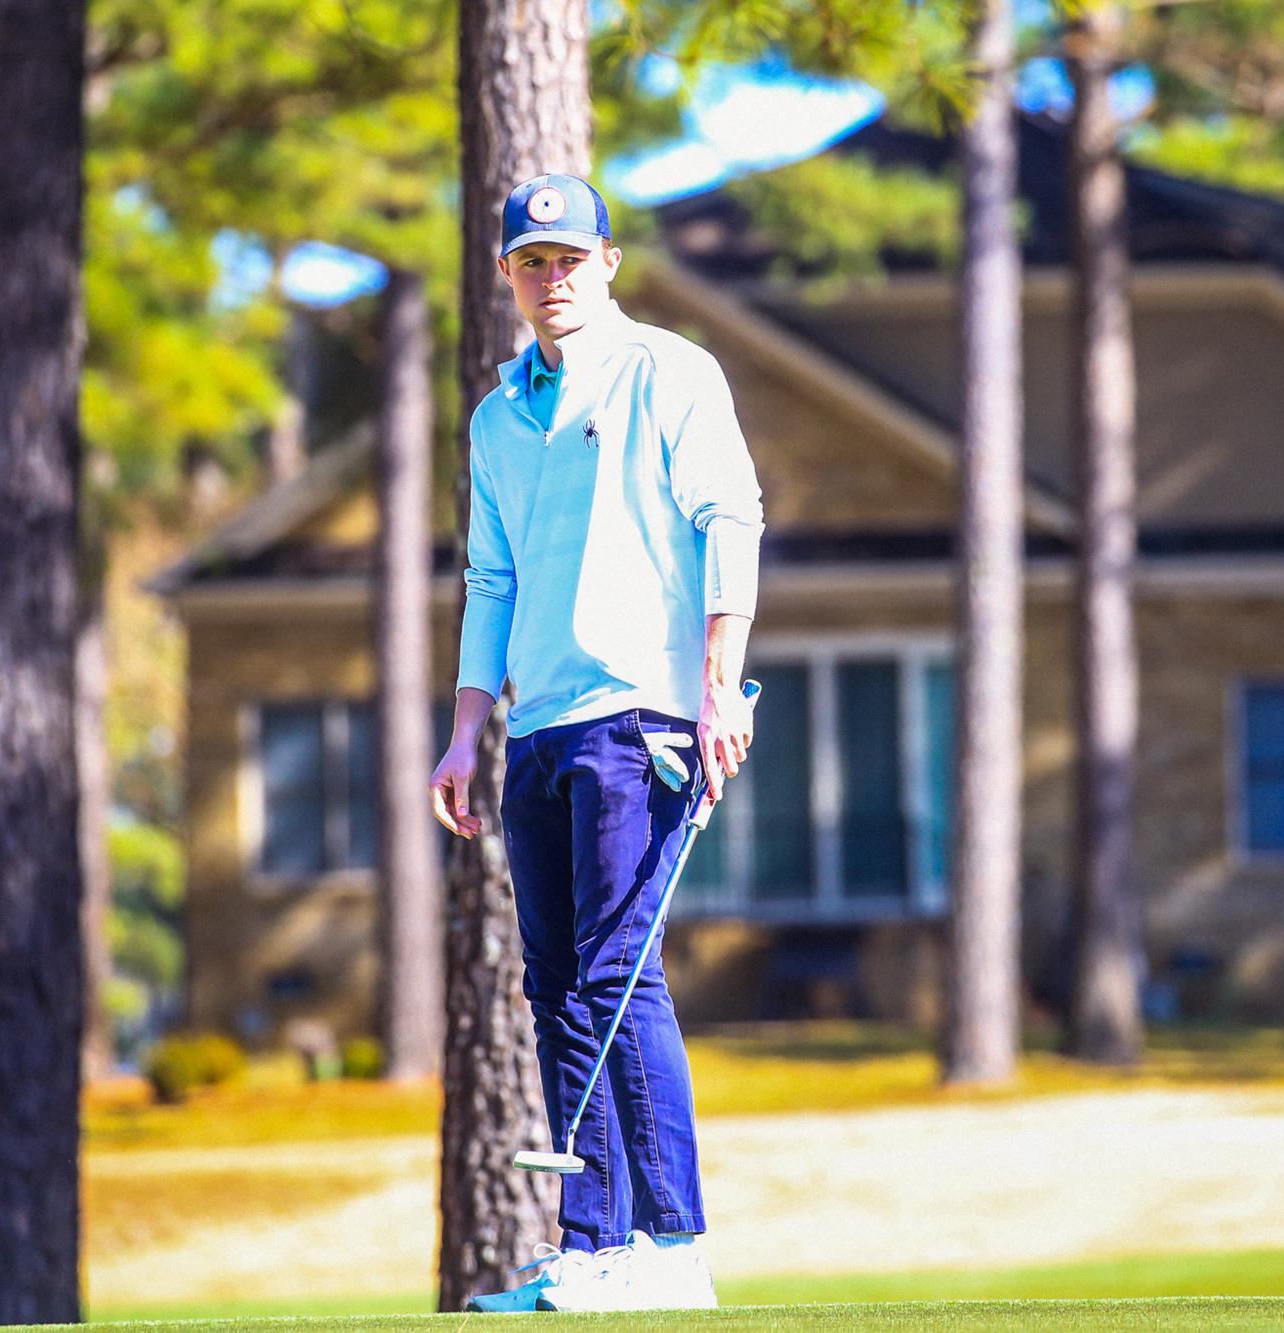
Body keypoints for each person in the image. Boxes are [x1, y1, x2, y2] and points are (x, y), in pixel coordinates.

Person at [429, 171, 763, 1313]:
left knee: (620, 973)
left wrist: (717, 685)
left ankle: (673, 1245)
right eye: (532, 261)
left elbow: (730, 517)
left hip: (644, 715)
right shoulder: (497, 417)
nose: (552, 277)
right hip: (539, 725)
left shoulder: (668, 370)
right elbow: (491, 578)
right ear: (508, 275)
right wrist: (466, 731)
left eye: (570, 257)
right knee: (557, 986)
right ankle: (594, 1247)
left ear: (607, 263)